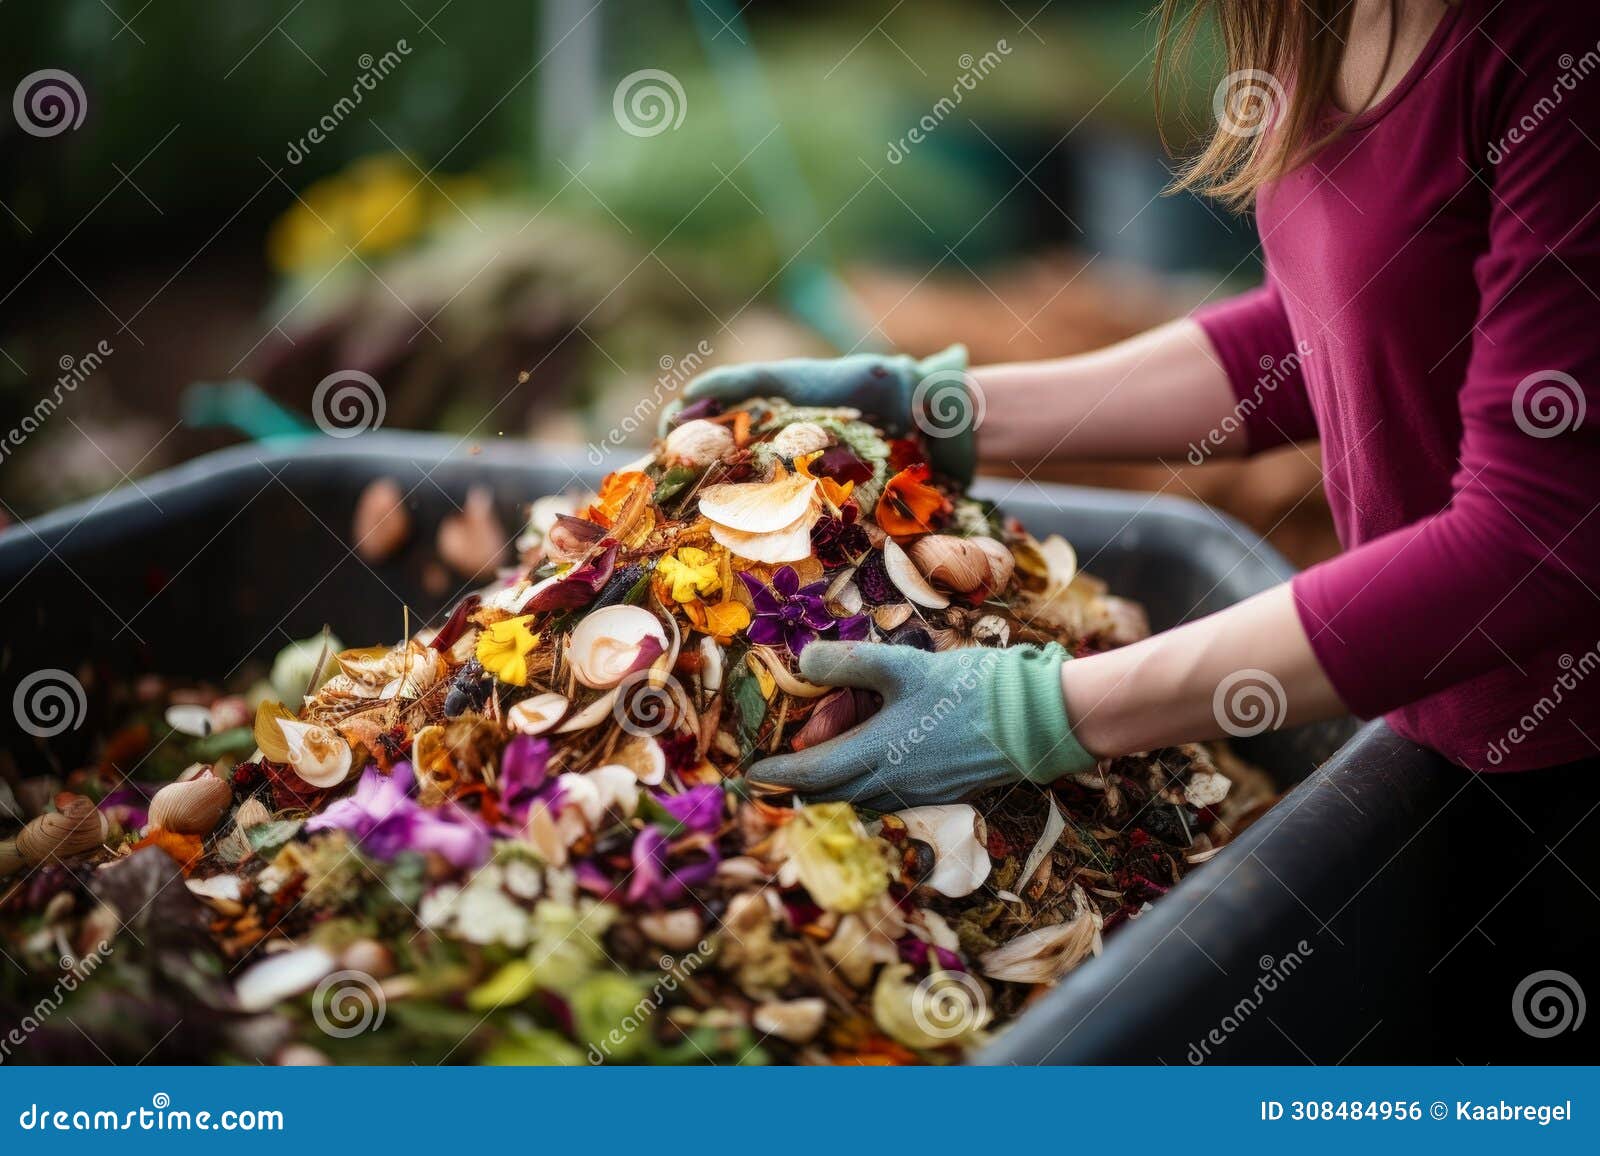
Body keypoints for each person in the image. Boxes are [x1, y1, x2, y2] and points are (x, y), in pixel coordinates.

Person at [681, 0, 1600, 817]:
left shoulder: (1558, 50)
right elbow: (1334, 325)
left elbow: (1534, 539)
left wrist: (1044, 711)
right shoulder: (1318, 20)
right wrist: (946, 412)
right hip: (1426, 721)